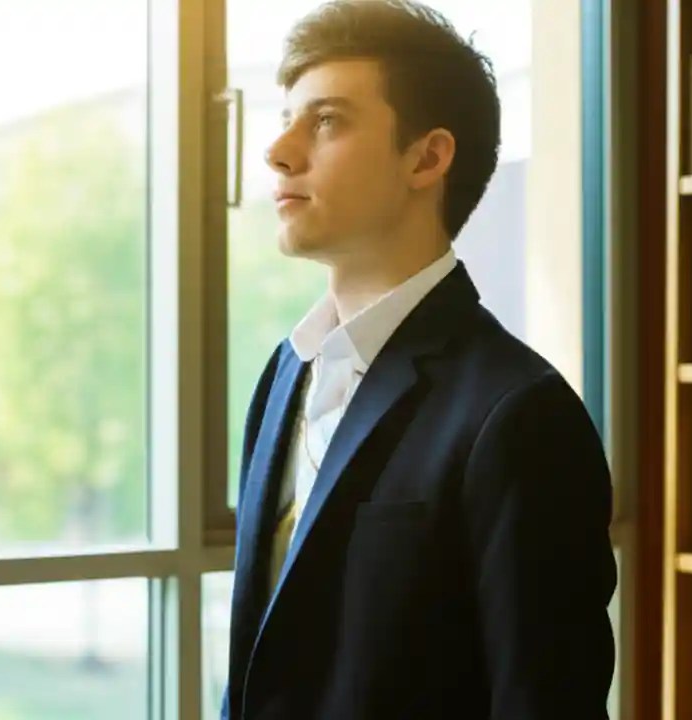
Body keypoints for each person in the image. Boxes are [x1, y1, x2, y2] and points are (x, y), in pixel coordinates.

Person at [221, 2, 616, 718]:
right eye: (286, 117)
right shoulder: (283, 376)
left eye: (328, 121)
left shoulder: (521, 414)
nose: (279, 150)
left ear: (427, 157)